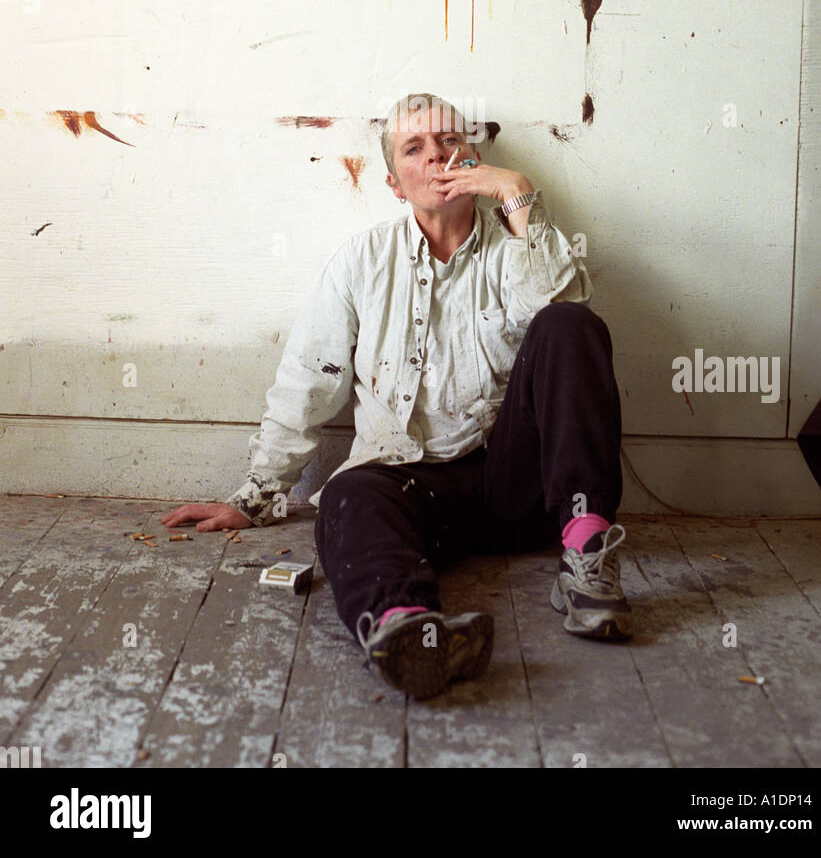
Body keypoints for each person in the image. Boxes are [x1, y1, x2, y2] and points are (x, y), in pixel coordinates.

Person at [162, 93, 632, 700]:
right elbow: (311, 379)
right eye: (416, 147)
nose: (438, 157)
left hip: (515, 486)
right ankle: (406, 629)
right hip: (413, 490)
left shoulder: (513, 251)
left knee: (570, 323)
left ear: (474, 159)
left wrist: (519, 195)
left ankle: (587, 556)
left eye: (449, 142)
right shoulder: (360, 262)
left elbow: (563, 309)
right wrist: (257, 494)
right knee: (349, 494)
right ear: (393, 182)